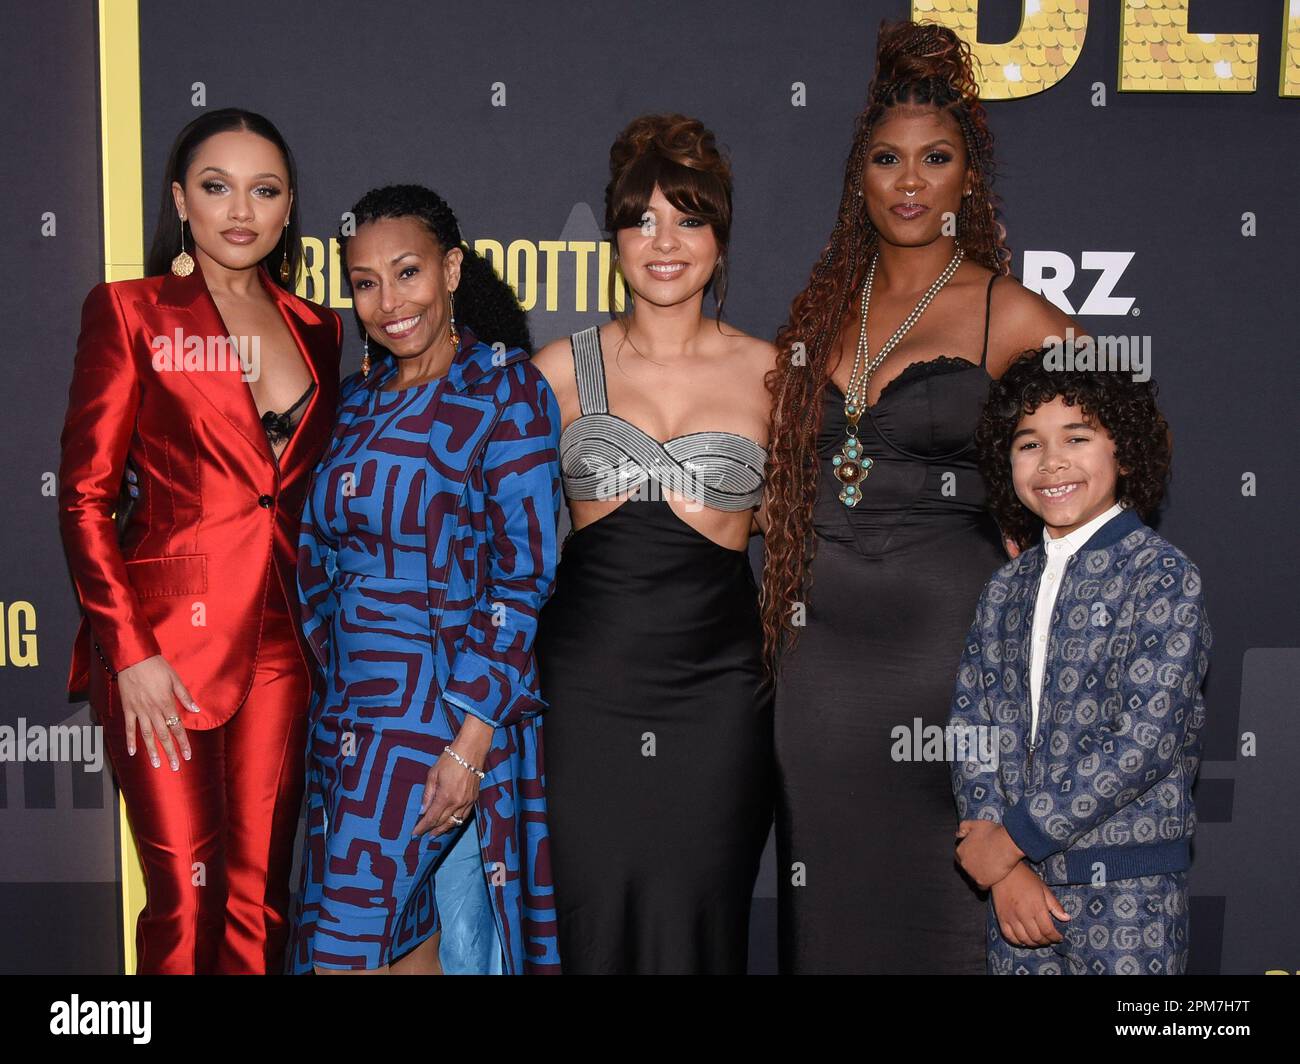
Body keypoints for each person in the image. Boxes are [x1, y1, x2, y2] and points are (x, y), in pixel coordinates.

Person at [760, 20, 1078, 973]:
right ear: (859, 179)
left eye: (933, 159)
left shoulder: (1006, 311)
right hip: (817, 670)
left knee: (942, 914)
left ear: (967, 178)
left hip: (948, 656)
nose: (908, 181)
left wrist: (1047, 543)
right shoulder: (823, 307)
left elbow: (1115, 456)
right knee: (829, 905)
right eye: (887, 159)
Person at [58, 108, 341, 973]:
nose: (240, 210)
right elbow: (84, 498)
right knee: (186, 898)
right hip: (164, 649)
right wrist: (131, 652)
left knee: (261, 899)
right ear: (181, 199)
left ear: (290, 209)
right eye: (217, 187)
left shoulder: (319, 328)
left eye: (265, 190)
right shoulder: (132, 312)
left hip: (283, 646)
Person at [288, 185, 562, 975]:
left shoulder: (504, 391)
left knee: (345, 949)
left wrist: (472, 744)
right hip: (346, 720)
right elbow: (320, 562)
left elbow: (524, 579)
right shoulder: (355, 405)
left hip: (435, 720)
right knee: (404, 945)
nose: (386, 302)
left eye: (406, 273)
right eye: (365, 283)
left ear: (450, 270)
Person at [531, 114, 775, 973]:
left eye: (689, 218)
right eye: (641, 220)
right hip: (587, 691)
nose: (663, 242)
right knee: (590, 918)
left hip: (718, 696)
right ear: (615, 238)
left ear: (721, 234)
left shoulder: (775, 374)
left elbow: (822, 541)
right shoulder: (558, 371)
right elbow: (486, 534)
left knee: (697, 918)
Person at [949, 346, 1211, 975]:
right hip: (1017, 895)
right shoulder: (1005, 588)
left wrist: (1010, 842)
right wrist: (1003, 867)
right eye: (1028, 443)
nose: (1052, 461)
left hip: (1131, 891)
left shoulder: (1161, 576)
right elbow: (970, 726)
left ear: (1122, 449)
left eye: (1077, 436)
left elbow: (1145, 741)